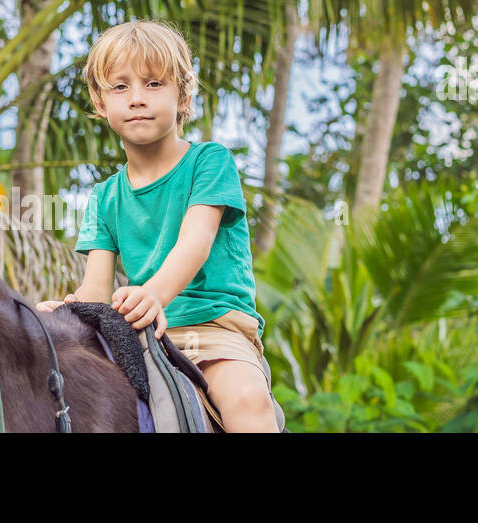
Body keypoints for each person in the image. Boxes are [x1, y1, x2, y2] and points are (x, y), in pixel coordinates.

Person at [36, 19, 280, 432]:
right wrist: (66, 312)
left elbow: (195, 243)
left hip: (213, 327)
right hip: (140, 333)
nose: (136, 99)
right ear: (100, 101)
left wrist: (153, 295)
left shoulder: (209, 161)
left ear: (183, 94)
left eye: (153, 84)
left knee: (246, 399)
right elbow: (97, 289)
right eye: (120, 87)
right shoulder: (105, 196)